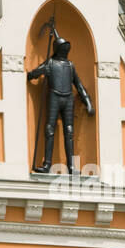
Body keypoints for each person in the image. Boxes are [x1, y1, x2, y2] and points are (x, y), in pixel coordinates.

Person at [28, 39, 93, 173]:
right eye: (63, 48)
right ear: (57, 49)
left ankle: (71, 166)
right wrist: (42, 71)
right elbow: (31, 75)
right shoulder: (50, 63)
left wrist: (87, 102)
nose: (65, 51)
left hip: (68, 98)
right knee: (49, 129)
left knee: (69, 132)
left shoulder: (70, 65)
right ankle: (47, 164)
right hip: (54, 97)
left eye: (66, 49)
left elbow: (79, 85)